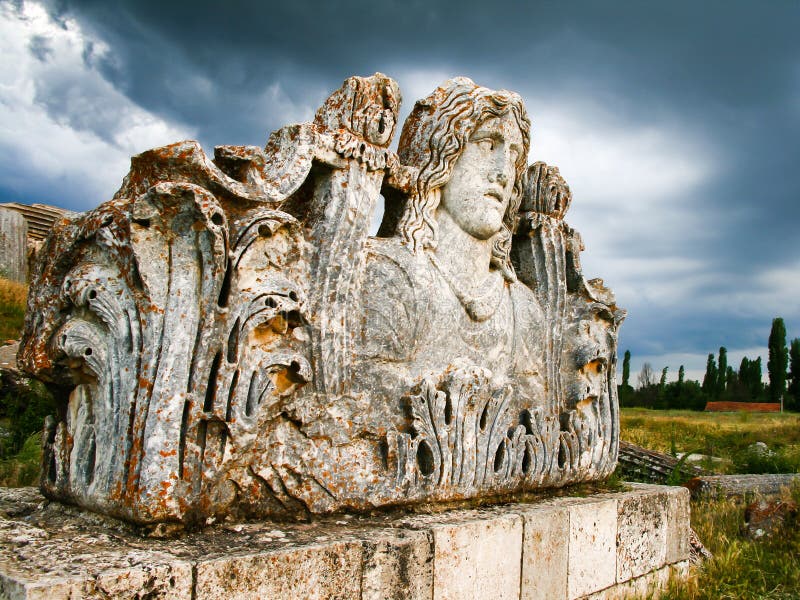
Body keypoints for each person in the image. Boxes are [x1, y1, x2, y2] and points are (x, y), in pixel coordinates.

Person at [356, 78, 545, 408]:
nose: (503, 172)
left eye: (513, 156)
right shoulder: (390, 278)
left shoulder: (523, 309)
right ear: (441, 155)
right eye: (487, 145)